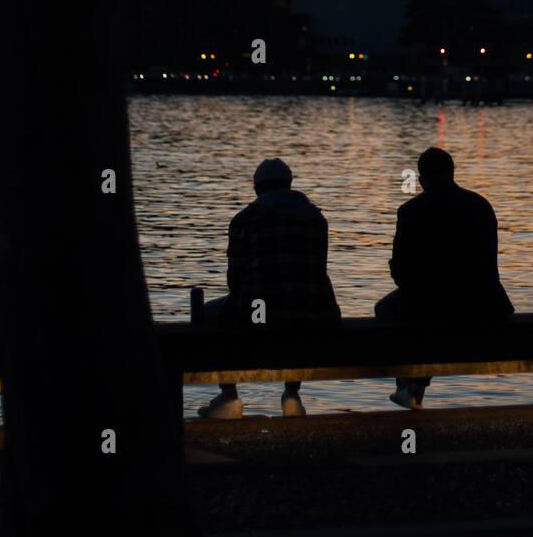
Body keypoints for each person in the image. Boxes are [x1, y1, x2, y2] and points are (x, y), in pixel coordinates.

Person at [198, 157, 340, 419]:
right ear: (289, 184)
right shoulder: (316, 218)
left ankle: (229, 397)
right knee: (298, 303)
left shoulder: (245, 219)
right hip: (316, 316)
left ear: (257, 188)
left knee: (209, 313)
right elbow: (317, 269)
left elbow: (236, 280)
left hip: (259, 318)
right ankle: (292, 395)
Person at [375, 146, 513, 409]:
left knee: (390, 310)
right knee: (425, 311)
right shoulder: (480, 205)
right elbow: (489, 264)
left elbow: (403, 275)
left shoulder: (410, 211)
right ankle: (413, 388)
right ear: (452, 173)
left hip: (431, 304)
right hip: (484, 304)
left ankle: (407, 385)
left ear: (421, 178)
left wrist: (402, 274)